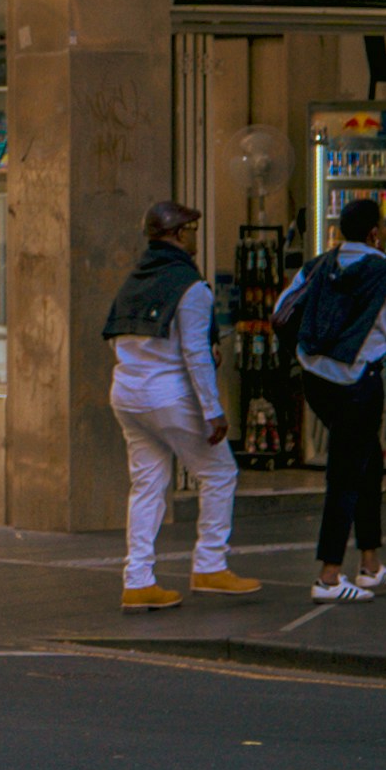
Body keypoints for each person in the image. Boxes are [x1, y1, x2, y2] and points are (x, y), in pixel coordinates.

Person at [273, 197, 386, 604]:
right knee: (345, 476)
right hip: (358, 386)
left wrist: (305, 352)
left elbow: (281, 309)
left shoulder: (317, 266)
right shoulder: (381, 277)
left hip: (317, 381)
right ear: (376, 233)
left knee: (368, 463)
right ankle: (328, 576)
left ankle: (371, 564)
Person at [101, 199, 249, 609]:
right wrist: (213, 409)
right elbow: (196, 357)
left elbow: (123, 336)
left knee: (147, 487)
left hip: (127, 393)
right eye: (192, 228)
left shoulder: (134, 279)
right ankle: (210, 565)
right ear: (179, 234)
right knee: (219, 473)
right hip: (169, 397)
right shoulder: (191, 286)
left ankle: (138, 580)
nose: (196, 235)